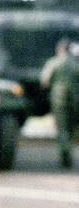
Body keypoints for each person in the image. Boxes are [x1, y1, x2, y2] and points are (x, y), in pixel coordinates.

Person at [40, 38, 77, 168]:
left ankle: (65, 152)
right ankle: (69, 150)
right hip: (75, 100)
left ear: (60, 49)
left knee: (62, 127)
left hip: (58, 98)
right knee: (71, 127)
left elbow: (44, 81)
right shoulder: (76, 63)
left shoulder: (53, 62)